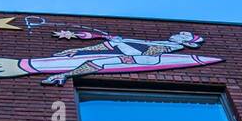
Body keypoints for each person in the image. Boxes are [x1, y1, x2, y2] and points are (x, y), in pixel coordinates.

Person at [43, 30, 205, 85]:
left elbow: (145, 51)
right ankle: (68, 65)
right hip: (136, 54)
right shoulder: (166, 41)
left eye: (183, 35)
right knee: (107, 49)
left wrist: (122, 43)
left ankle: (63, 75)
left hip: (144, 59)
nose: (178, 34)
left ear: (188, 44)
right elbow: (113, 46)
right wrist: (79, 50)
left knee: (98, 62)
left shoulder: (173, 46)